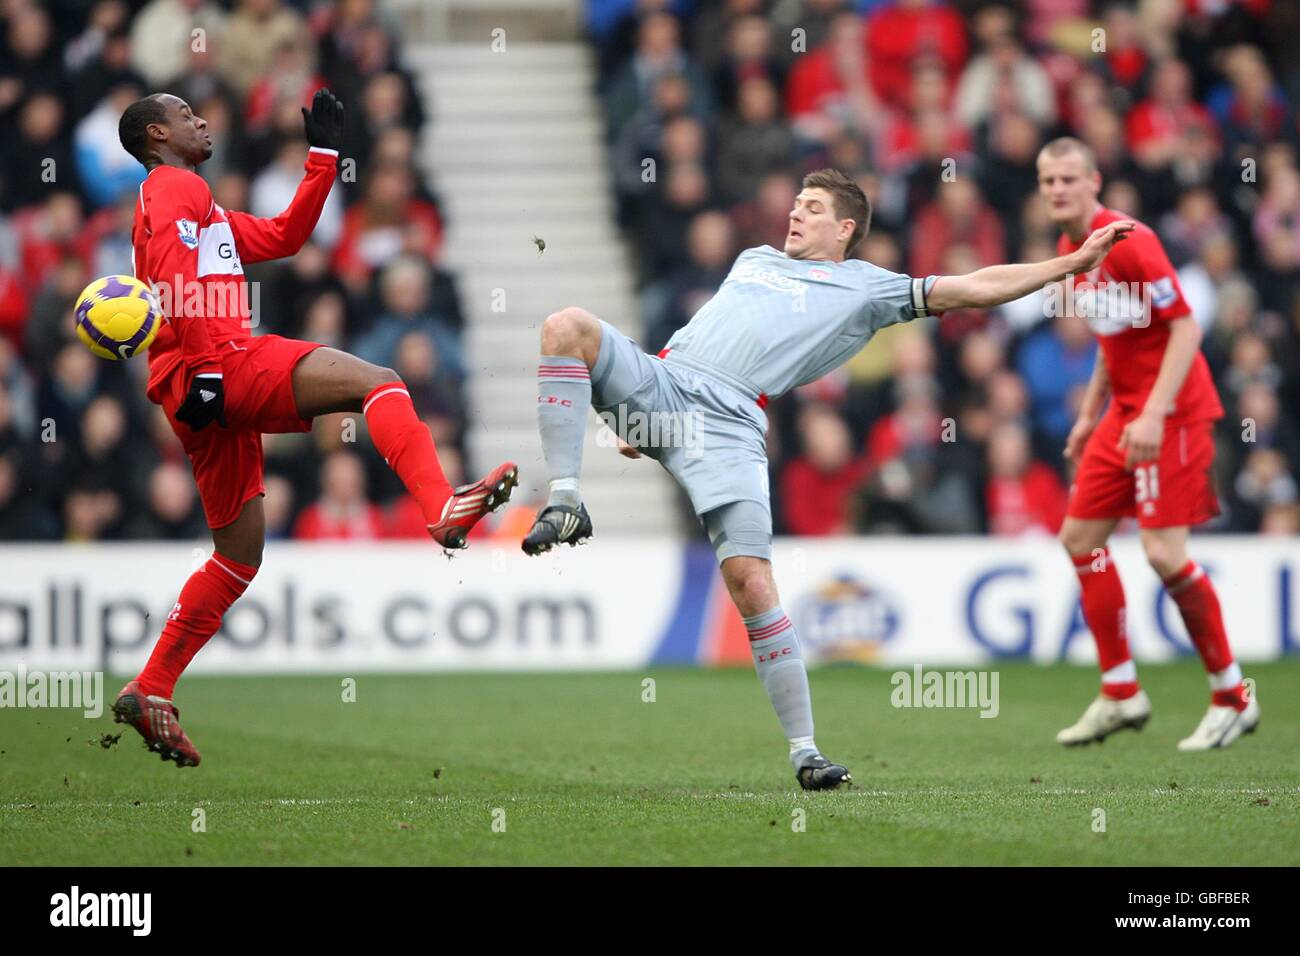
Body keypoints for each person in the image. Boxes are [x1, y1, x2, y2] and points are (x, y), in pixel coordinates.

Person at [523, 167, 1131, 789]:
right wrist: (646, 420)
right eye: (795, 203)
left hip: (731, 422)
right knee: (565, 326)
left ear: (844, 229)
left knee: (752, 583)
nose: (794, 213)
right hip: (668, 384)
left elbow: (975, 287)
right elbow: (699, 335)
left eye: (811, 207)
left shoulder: (867, 289)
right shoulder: (753, 258)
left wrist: (1069, 265)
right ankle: (566, 501)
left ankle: (806, 753)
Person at [109, 90, 517, 766]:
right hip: (218, 365)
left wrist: (323, 157)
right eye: (186, 115)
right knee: (379, 380)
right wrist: (211, 368)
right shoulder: (170, 185)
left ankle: (151, 685)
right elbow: (180, 280)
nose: (203, 120)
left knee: (238, 556)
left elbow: (285, 237)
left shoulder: (201, 208)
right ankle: (440, 508)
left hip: (195, 389)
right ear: (158, 134)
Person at [1041, 137, 1259, 751]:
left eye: (1067, 178)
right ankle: (1119, 691)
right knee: (1080, 539)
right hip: (1126, 413)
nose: (1057, 189)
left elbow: (1185, 326)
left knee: (1165, 554)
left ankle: (1232, 696)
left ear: (1094, 181)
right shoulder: (1070, 250)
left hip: (1175, 412)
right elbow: (1117, 339)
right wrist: (1089, 417)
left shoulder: (1128, 238)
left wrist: (1155, 414)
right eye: (1047, 180)